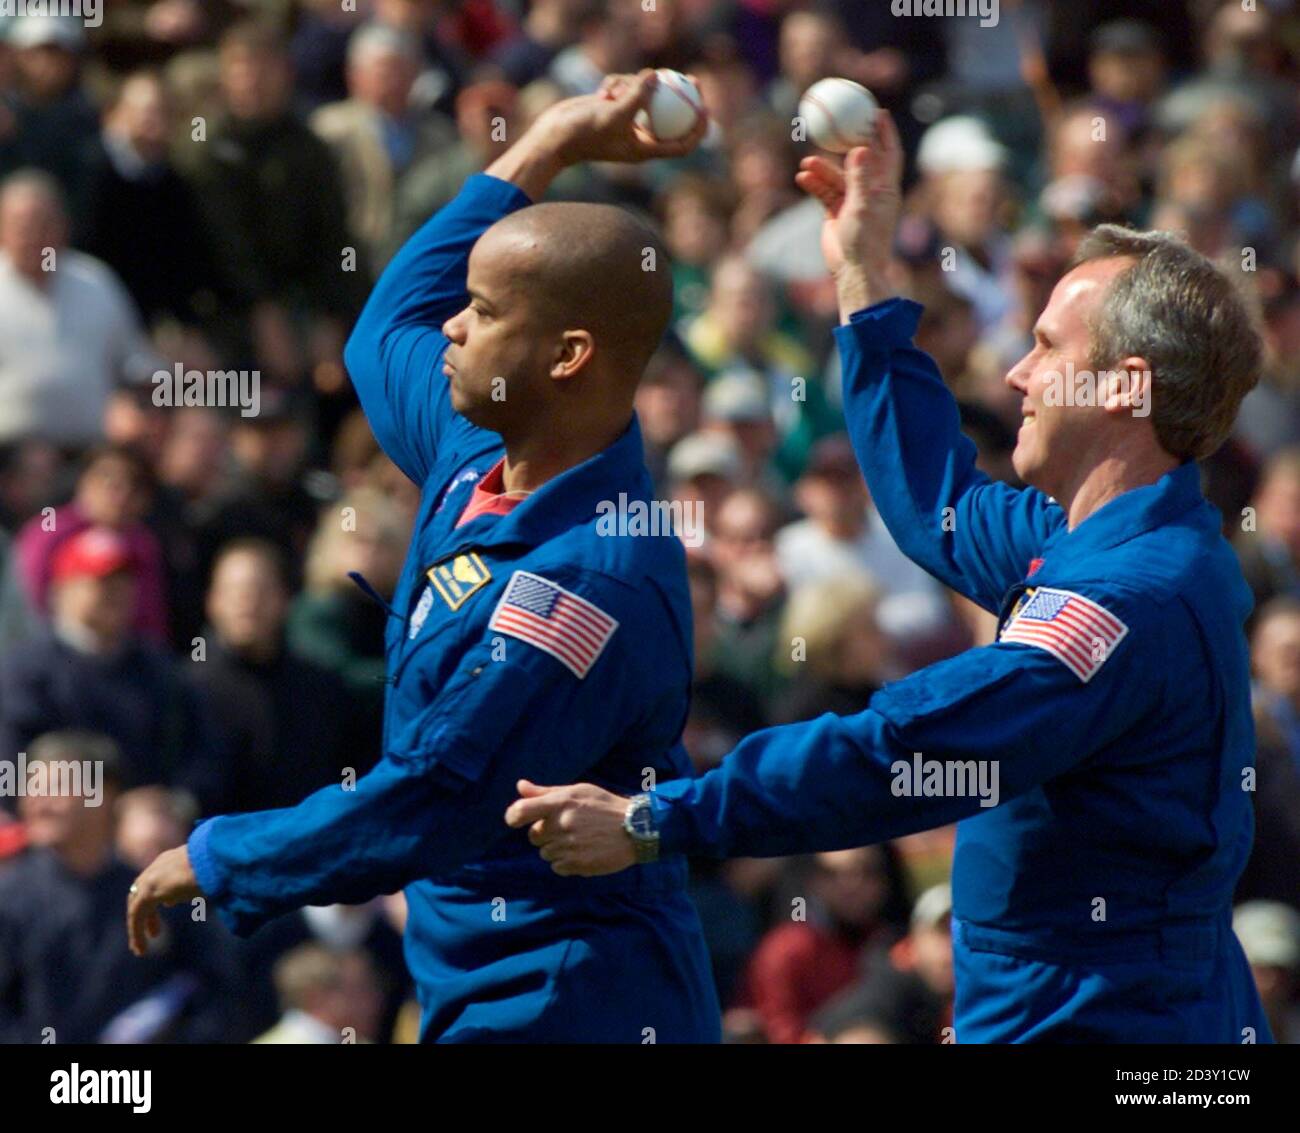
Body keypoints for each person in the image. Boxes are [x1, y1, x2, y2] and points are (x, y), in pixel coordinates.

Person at [507, 111, 1274, 1043]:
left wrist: (657, 818)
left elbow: (906, 754)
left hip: (1108, 1024)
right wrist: (863, 272)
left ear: (1124, 386)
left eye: (1048, 346)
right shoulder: (1097, 544)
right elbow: (934, 500)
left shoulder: (1125, 599)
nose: (1018, 373)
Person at [127, 71, 721, 1043]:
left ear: (567, 356)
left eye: (485, 312)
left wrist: (227, 855)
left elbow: (439, 792)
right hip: (474, 975)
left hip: (570, 995)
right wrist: (545, 147)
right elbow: (382, 331)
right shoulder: (480, 446)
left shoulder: (589, 575)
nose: (454, 322)